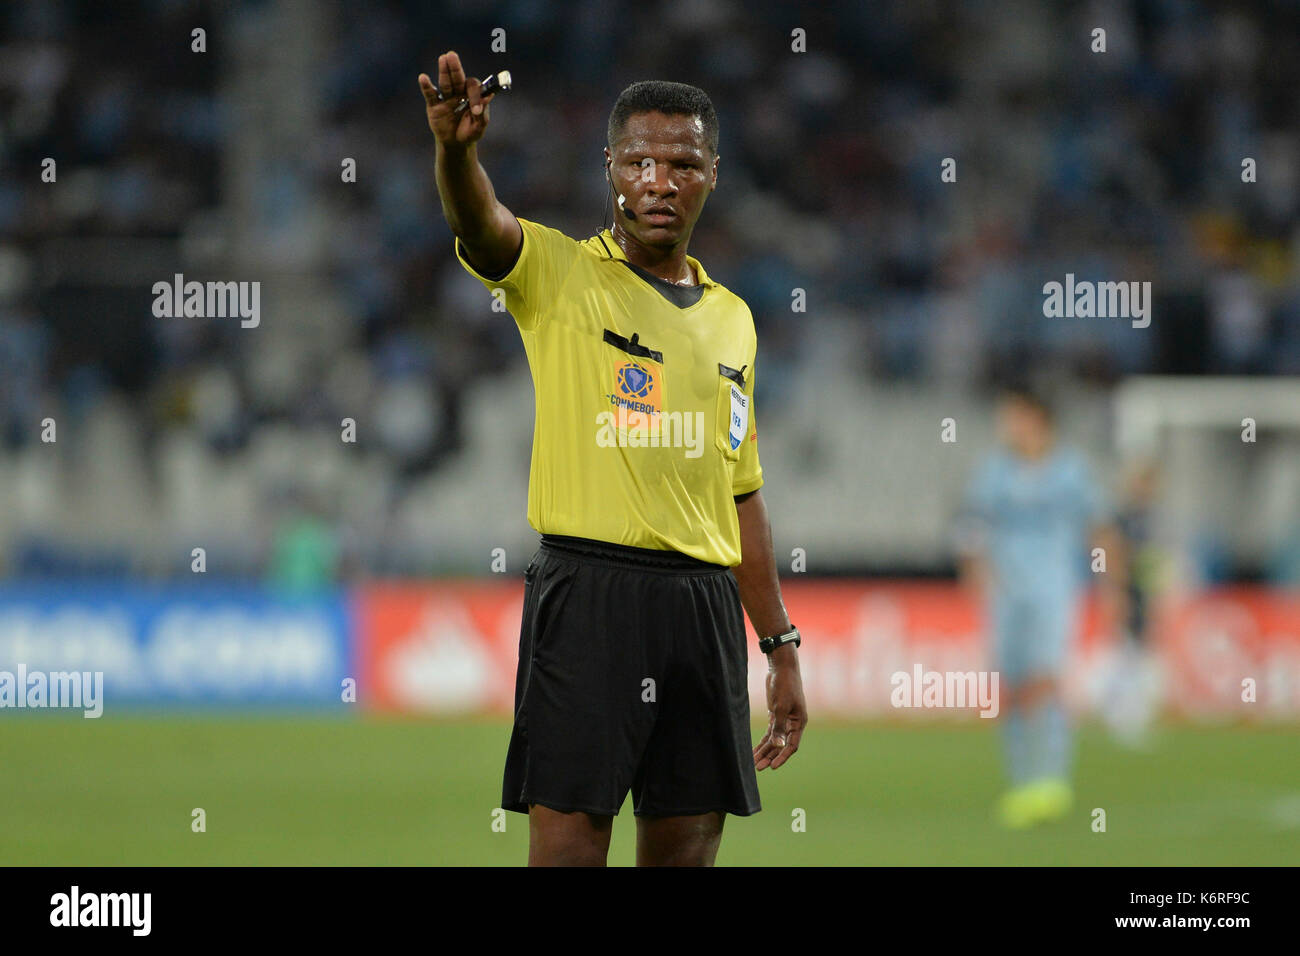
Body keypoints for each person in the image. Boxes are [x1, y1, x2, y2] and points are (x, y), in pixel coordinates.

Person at [419, 52, 807, 866]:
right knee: (565, 851)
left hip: (703, 610)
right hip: (588, 597)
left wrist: (778, 645)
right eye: (638, 162)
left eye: (682, 165)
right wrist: (457, 154)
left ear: (712, 176)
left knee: (685, 857)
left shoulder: (735, 321)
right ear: (610, 169)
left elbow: (743, 494)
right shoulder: (558, 274)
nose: (658, 182)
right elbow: (481, 228)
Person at [957, 386, 1126, 828]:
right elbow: (972, 525)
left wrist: (1111, 587)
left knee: (1045, 681)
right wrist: (975, 571)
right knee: (1010, 688)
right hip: (1005, 593)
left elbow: (1101, 530)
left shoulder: (1070, 471)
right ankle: (1022, 783)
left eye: (1015, 417)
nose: (1007, 427)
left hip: (1054, 590)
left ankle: (1052, 780)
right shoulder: (995, 471)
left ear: (1037, 419)